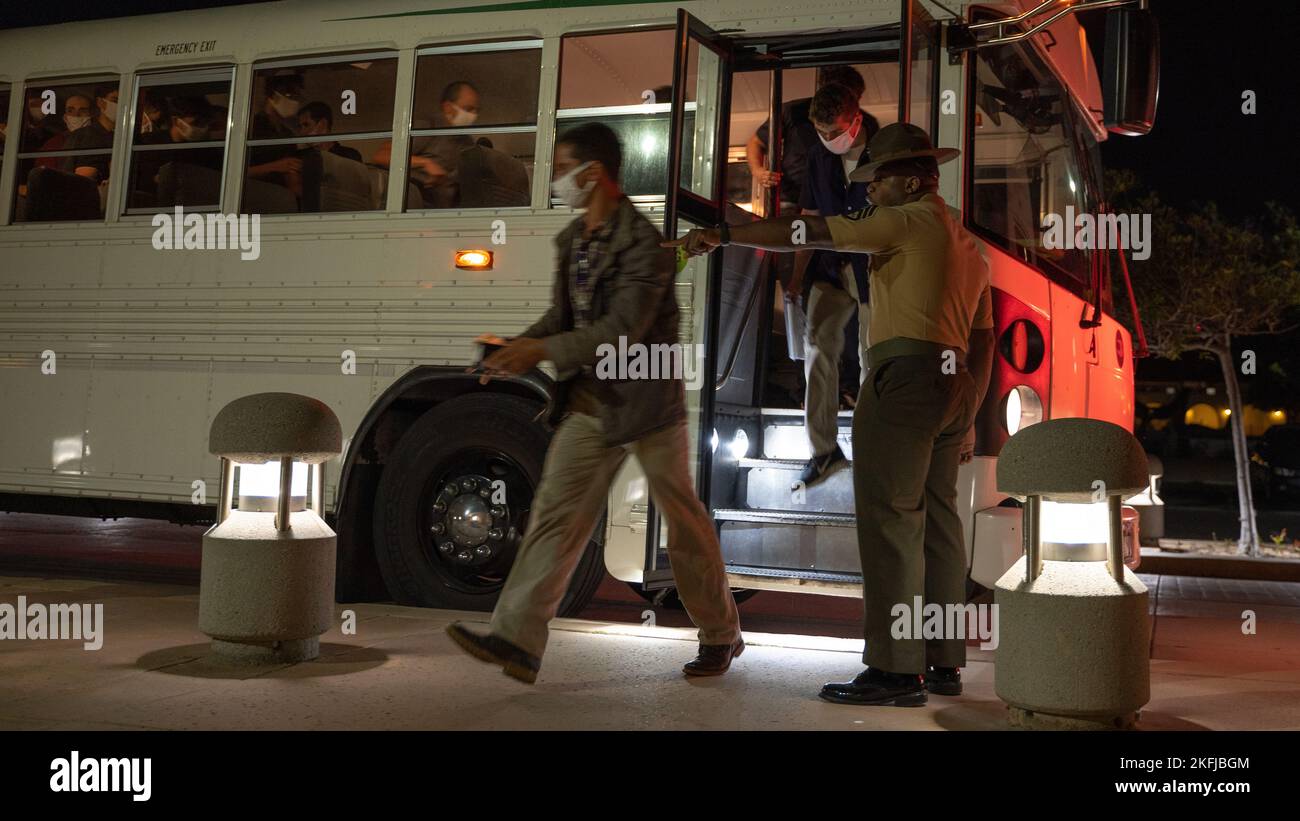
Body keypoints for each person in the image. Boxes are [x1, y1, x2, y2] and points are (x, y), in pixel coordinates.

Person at [666, 123, 996, 707]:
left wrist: (724, 232)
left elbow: (808, 230)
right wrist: (970, 413)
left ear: (915, 180)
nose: (871, 193)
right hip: (955, 382)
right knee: (941, 523)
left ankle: (897, 671)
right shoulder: (969, 244)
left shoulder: (908, 219)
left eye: (880, 181)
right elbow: (984, 338)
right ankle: (944, 661)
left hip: (904, 378)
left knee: (890, 521)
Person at [446, 122, 744, 684]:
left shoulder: (646, 246)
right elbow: (562, 321)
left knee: (682, 526)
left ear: (593, 174)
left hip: (648, 405)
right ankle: (517, 640)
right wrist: (512, 350)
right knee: (554, 518)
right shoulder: (572, 241)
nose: (555, 179)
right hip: (590, 403)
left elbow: (620, 331)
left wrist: (538, 348)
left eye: (560, 168)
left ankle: (721, 633)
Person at [787, 82, 880, 487]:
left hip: (871, 269)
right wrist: (795, 280)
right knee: (817, 348)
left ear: (856, 119)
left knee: (869, 356)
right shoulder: (817, 157)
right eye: (822, 133)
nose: (828, 140)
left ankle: (872, 446)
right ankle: (823, 451)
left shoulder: (885, 154)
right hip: (829, 266)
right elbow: (807, 220)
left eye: (834, 131)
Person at [746, 64, 865, 215]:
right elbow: (756, 142)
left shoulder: (865, 125)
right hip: (790, 197)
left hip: (834, 199)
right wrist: (759, 171)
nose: (829, 138)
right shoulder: (793, 112)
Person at [372, 80, 478, 208]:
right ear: (448, 107)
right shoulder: (428, 126)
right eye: (468, 109)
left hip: (443, 209)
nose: (473, 115)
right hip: (409, 204)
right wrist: (425, 163)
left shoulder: (466, 141)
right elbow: (381, 156)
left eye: (476, 110)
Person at [298, 102, 363, 162]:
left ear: (322, 124)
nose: (302, 132)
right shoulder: (301, 156)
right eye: (300, 127)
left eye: (306, 125)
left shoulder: (349, 156)